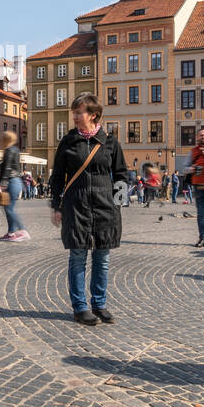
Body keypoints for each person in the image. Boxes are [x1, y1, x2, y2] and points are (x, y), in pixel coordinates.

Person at [50, 94, 126, 326]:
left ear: (93, 115)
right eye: (73, 112)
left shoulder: (110, 142)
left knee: (102, 258)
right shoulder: (68, 142)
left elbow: (121, 174)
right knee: (78, 257)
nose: (74, 116)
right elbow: (57, 177)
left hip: (105, 207)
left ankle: (99, 304)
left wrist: (118, 203)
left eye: (78, 112)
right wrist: (57, 205)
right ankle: (80, 307)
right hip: (76, 205)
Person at [0, 130, 28, 241]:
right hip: (16, 182)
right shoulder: (16, 150)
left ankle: (22, 230)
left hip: (11, 182)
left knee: (9, 209)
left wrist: (3, 183)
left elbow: (7, 168)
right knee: (8, 208)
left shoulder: (8, 150)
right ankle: (11, 233)